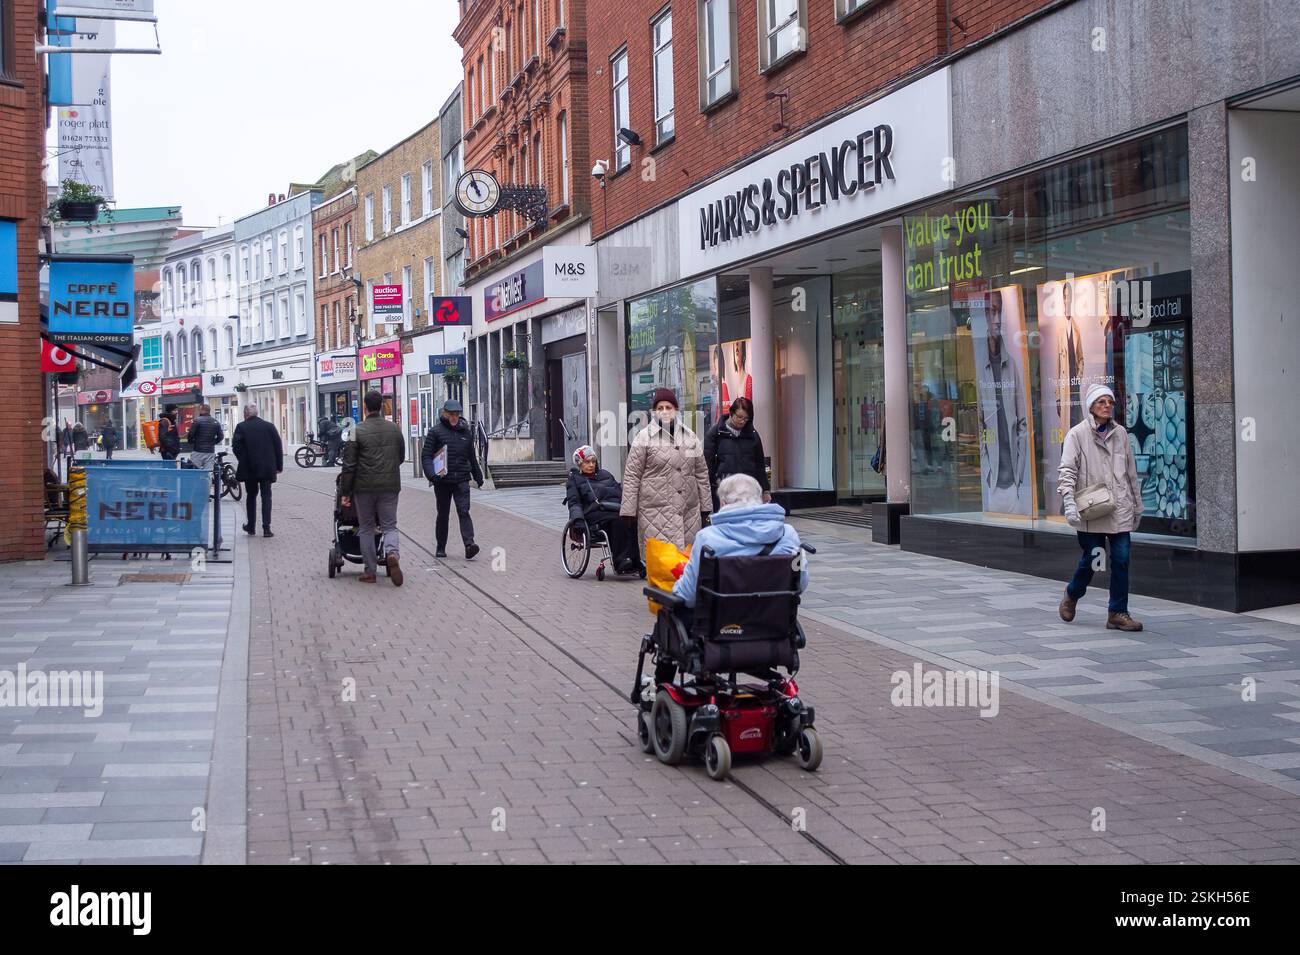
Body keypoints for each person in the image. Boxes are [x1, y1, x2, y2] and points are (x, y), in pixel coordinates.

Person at [1057, 382, 1144, 632]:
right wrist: (1069, 504)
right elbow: (1067, 471)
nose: (1107, 406)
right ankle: (1072, 593)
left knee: (1122, 559)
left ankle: (1117, 612)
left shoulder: (1122, 434)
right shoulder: (1077, 435)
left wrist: (1137, 506)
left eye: (1109, 402)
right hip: (1091, 511)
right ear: (1090, 407)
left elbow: (1130, 473)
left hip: (1120, 508)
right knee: (1095, 559)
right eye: (1101, 402)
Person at [672, 474, 807, 608]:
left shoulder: (707, 538)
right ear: (759, 500)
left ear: (723, 503)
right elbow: (800, 583)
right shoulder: (788, 534)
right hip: (774, 622)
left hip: (721, 623)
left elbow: (688, 596)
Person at [619, 388, 712, 555]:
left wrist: (706, 507)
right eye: (660, 408)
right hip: (655, 511)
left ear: (676, 410)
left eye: (668, 407)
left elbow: (701, 473)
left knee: (685, 562)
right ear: (654, 412)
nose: (664, 412)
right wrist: (628, 510)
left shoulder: (690, 437)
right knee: (661, 565)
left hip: (687, 510)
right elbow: (632, 475)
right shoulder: (643, 438)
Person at [340, 390, 406, 585]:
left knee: (366, 528)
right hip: (389, 486)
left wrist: (345, 492)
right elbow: (400, 457)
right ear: (381, 406)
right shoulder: (394, 429)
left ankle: (370, 572)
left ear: (365, 407)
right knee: (389, 525)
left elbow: (349, 465)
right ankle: (392, 553)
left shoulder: (356, 431)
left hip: (364, 488)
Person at [421, 399, 483, 559]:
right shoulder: (435, 432)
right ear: (445, 414)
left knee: (464, 511)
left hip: (461, 479)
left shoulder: (466, 433)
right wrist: (432, 475)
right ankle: (440, 547)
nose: (454, 417)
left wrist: (478, 475)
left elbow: (471, 456)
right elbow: (426, 456)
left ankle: (469, 545)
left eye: (457, 414)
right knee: (443, 514)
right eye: (451, 414)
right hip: (442, 481)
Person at [565, 445, 638, 574]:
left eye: (593, 461)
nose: (591, 465)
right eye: (587, 462)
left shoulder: (606, 475)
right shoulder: (575, 480)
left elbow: (620, 492)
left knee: (631, 518)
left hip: (613, 508)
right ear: (580, 463)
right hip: (593, 514)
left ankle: (635, 560)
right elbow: (574, 502)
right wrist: (578, 519)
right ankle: (620, 561)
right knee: (618, 520)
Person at [703, 396, 771, 512]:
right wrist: (707, 492)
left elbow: (760, 464)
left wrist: (765, 490)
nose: (742, 421)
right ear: (731, 413)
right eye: (739, 417)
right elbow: (707, 465)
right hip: (725, 489)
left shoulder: (753, 435)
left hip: (748, 489)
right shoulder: (716, 433)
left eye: (746, 419)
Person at [232, 403, 283, 538]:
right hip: (267, 468)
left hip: (249, 468)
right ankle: (267, 528)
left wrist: (243, 459)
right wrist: (278, 466)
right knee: (266, 496)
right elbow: (278, 446)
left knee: (251, 495)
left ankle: (251, 526)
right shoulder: (269, 426)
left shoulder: (241, 427)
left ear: (246, 414)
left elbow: (236, 447)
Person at [187, 403, 224, 472]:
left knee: (195, 472)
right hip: (210, 451)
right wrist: (213, 442)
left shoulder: (197, 421)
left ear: (202, 410)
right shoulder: (215, 422)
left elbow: (191, 434)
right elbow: (221, 436)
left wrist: (191, 441)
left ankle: (197, 483)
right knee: (208, 473)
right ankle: (207, 483)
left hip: (198, 450)